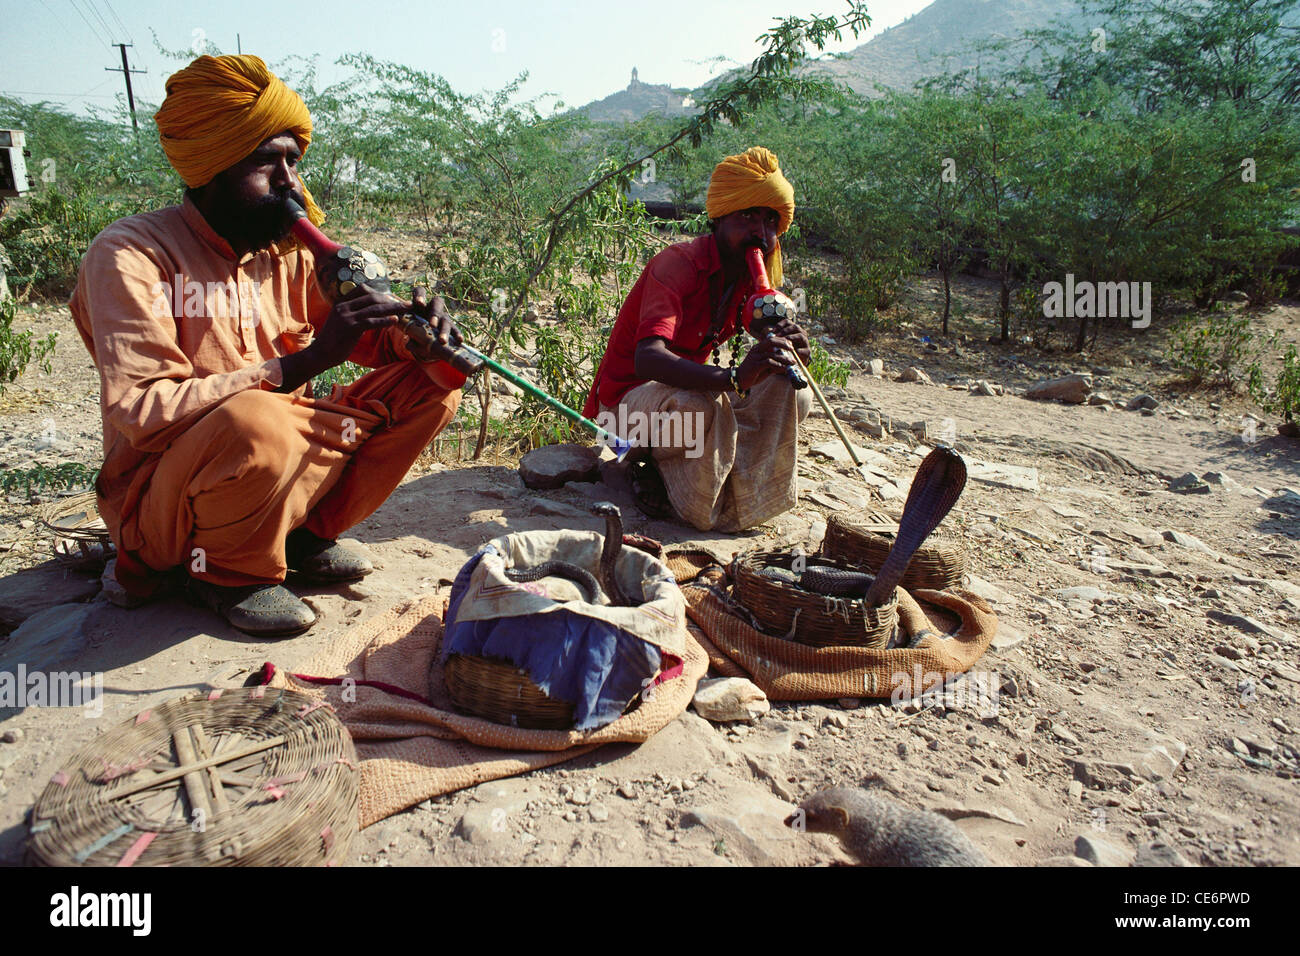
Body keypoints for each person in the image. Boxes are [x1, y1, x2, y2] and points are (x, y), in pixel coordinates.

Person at [70, 54, 463, 637]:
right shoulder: (131, 255)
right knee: (257, 417)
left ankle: (301, 538)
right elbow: (144, 413)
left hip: (269, 462)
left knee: (431, 386)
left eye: (293, 162)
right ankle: (227, 573)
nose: (289, 183)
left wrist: (417, 341)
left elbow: (370, 342)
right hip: (163, 502)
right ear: (210, 169)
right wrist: (303, 362)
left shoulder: (285, 249)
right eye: (264, 163)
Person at [583, 146, 811, 531]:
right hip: (625, 410)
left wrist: (786, 351)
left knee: (794, 395)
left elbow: (759, 364)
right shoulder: (679, 264)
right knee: (696, 410)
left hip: (685, 395)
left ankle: (731, 487)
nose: (761, 232)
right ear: (720, 218)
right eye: (748, 215)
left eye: (771, 220)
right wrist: (733, 380)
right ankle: (648, 469)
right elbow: (648, 359)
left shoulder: (747, 281)